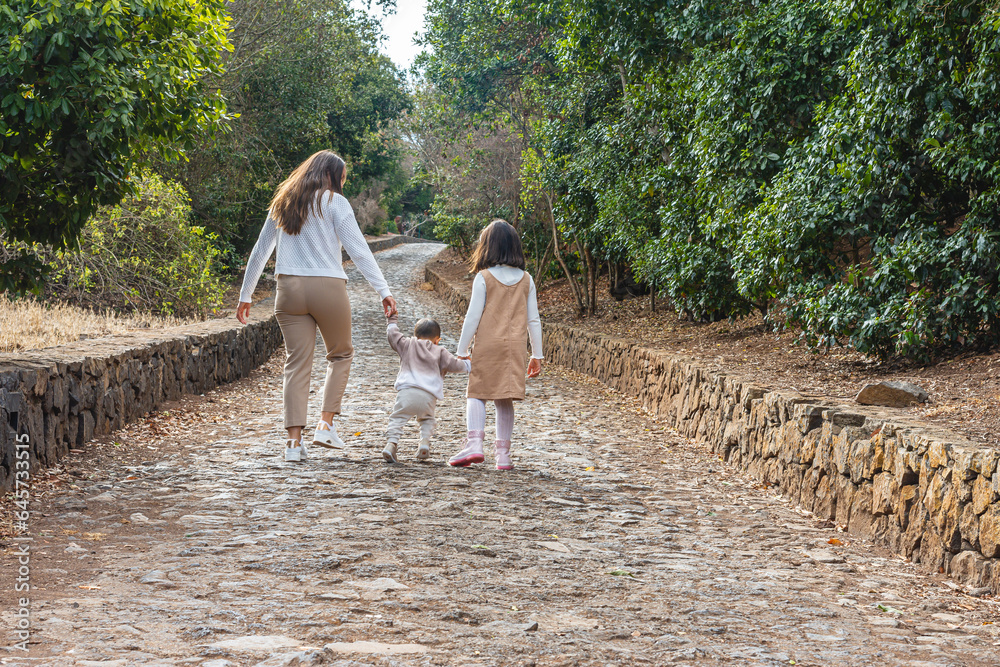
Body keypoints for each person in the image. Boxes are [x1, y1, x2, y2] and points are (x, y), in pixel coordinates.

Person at [236, 150, 397, 463]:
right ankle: (325, 424)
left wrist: (246, 295)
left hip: (288, 290)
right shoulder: (335, 203)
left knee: (296, 364)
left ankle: (293, 446)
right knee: (341, 353)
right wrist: (384, 291)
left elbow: (259, 252)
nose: (341, 184)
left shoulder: (282, 202)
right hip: (328, 288)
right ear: (330, 175)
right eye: (341, 178)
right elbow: (360, 251)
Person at [448, 219, 543, 470]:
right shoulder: (526, 279)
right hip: (515, 348)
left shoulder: (484, 277)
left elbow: (473, 316)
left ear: (488, 247)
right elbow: (534, 319)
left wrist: (462, 349)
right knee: (504, 397)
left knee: (477, 392)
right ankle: (503, 455)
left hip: (488, 344)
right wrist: (537, 354)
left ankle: (474, 444)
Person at [383, 314, 470, 463]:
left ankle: (391, 444)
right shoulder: (440, 351)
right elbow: (455, 365)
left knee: (397, 418)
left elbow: (393, 336)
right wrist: (468, 363)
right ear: (437, 340)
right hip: (428, 396)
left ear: (415, 335)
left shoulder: (407, 344)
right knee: (427, 419)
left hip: (407, 392)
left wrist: (392, 320)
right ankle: (424, 443)